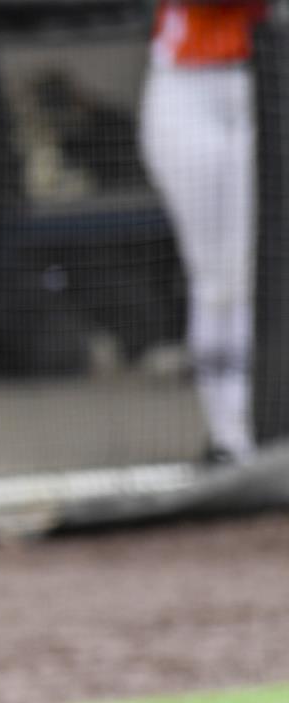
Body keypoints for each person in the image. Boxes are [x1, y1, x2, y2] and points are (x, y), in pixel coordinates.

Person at [139, 0, 265, 465]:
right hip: (186, 84)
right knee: (216, 281)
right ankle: (228, 436)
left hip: (264, 74)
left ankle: (256, 428)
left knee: (249, 272)